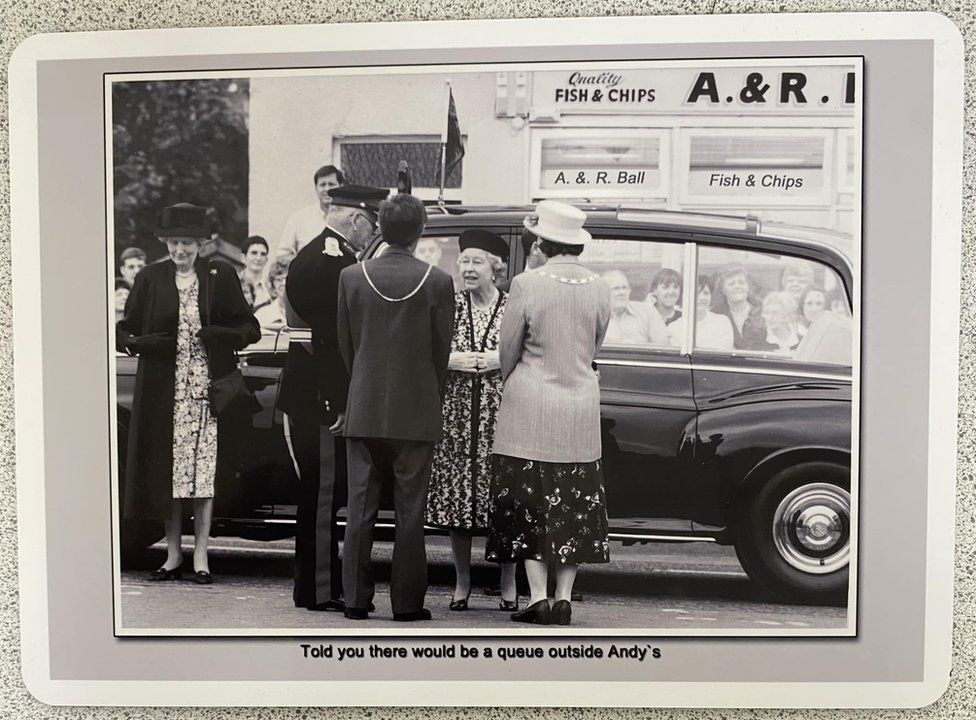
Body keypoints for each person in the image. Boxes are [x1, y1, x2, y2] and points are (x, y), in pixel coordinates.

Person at [116, 203, 260, 584]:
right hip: (165, 392)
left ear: (201, 243)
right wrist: (142, 342)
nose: (180, 250)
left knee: (202, 474)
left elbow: (251, 327)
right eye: (174, 242)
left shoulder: (219, 274)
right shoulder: (150, 278)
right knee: (169, 471)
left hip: (206, 393)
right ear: (165, 242)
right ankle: (173, 553)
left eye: (188, 243)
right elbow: (123, 330)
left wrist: (225, 336)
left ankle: (201, 555)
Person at [486, 200, 612, 627]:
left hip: (530, 404)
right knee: (573, 502)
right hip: (579, 407)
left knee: (529, 500)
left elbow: (508, 347)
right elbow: (596, 344)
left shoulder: (526, 283)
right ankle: (565, 596)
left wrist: (511, 379)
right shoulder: (600, 285)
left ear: (541, 241)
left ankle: (537, 595)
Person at [337, 193, 455, 622]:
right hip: (417, 409)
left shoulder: (352, 277)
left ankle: (355, 600)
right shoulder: (438, 282)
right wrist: (425, 391)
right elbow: (440, 354)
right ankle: (406, 604)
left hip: (364, 405)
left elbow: (346, 346)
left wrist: (363, 383)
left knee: (360, 508)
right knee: (410, 512)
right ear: (421, 230)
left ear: (379, 229)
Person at [278, 184, 388, 613]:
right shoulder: (333, 262)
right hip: (318, 394)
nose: (371, 233)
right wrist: (338, 401)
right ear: (356, 219)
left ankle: (311, 585)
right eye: (371, 224)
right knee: (324, 495)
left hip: (310, 390)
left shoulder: (325, 254)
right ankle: (321, 588)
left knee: (319, 494)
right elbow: (327, 343)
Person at [425, 229, 517, 612]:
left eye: (476, 261)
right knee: (459, 499)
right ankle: (462, 581)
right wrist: (451, 361)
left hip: (502, 416)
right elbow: (426, 349)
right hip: (458, 417)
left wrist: (501, 360)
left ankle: (508, 582)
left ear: (495, 267)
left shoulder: (513, 306)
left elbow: (528, 351)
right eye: (463, 261)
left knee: (505, 499)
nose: (467, 268)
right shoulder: (452, 305)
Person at [274, 164, 345, 264]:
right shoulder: (298, 219)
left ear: (341, 187)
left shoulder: (350, 218)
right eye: (322, 185)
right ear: (316, 188)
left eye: (331, 184)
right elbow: (282, 255)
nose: (327, 189)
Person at [602, 269, 668, 346]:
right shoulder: (595, 318)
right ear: (603, 292)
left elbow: (664, 344)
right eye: (616, 288)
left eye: (625, 288)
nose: (622, 292)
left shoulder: (647, 311)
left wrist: (635, 346)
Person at [668, 275, 734, 351]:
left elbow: (723, 354)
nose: (702, 298)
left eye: (706, 293)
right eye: (696, 293)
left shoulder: (722, 322)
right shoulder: (674, 327)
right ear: (686, 296)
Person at [711, 262, 766, 350]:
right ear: (723, 290)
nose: (737, 286)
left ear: (748, 287)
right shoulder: (715, 316)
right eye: (731, 284)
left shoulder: (763, 311)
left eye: (741, 282)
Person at [254, 253, 291, 329]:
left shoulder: (305, 313)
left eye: (288, 279)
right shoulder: (261, 315)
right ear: (273, 285)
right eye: (279, 279)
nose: (284, 283)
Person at [239, 235, 272, 311]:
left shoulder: (271, 286)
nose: (258, 258)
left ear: (266, 260)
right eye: (254, 253)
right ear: (243, 258)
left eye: (263, 254)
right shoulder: (234, 283)